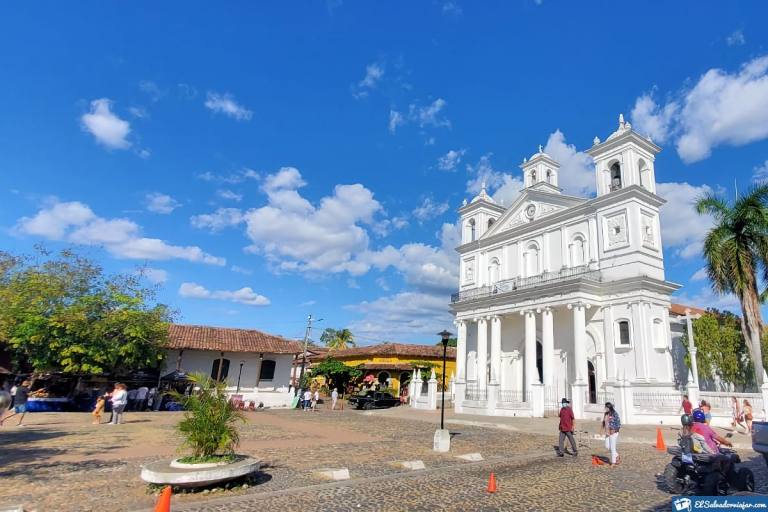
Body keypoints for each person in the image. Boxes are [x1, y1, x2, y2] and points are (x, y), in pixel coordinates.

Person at [601, 402, 621, 466]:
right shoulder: (606, 414)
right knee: (607, 446)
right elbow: (604, 422)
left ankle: (613, 462)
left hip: (613, 433)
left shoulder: (615, 414)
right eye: (605, 407)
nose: (605, 408)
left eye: (607, 407)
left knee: (612, 447)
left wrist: (615, 430)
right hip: (607, 432)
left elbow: (618, 424)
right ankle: (617, 456)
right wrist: (601, 430)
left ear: (610, 407)